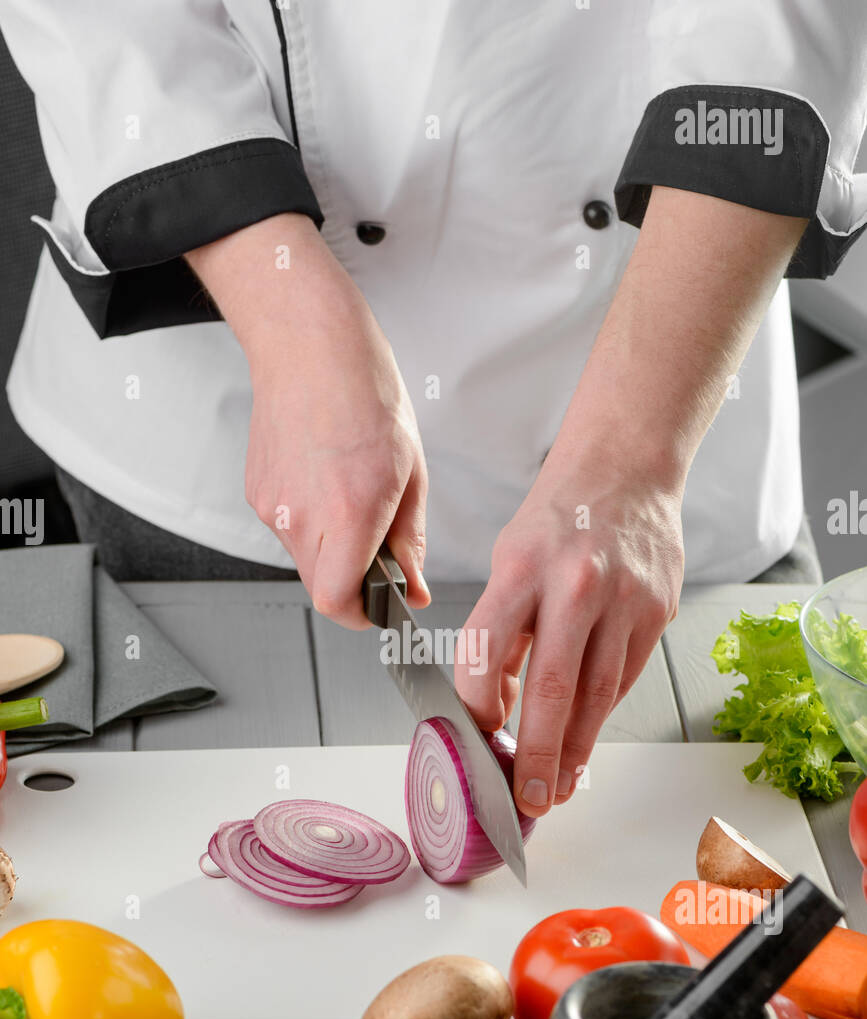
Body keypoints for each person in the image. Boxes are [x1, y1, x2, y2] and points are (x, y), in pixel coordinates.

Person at [3, 1, 866, 820]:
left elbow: (773, 30)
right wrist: (295, 335)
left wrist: (632, 456)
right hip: (217, 438)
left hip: (674, 415)